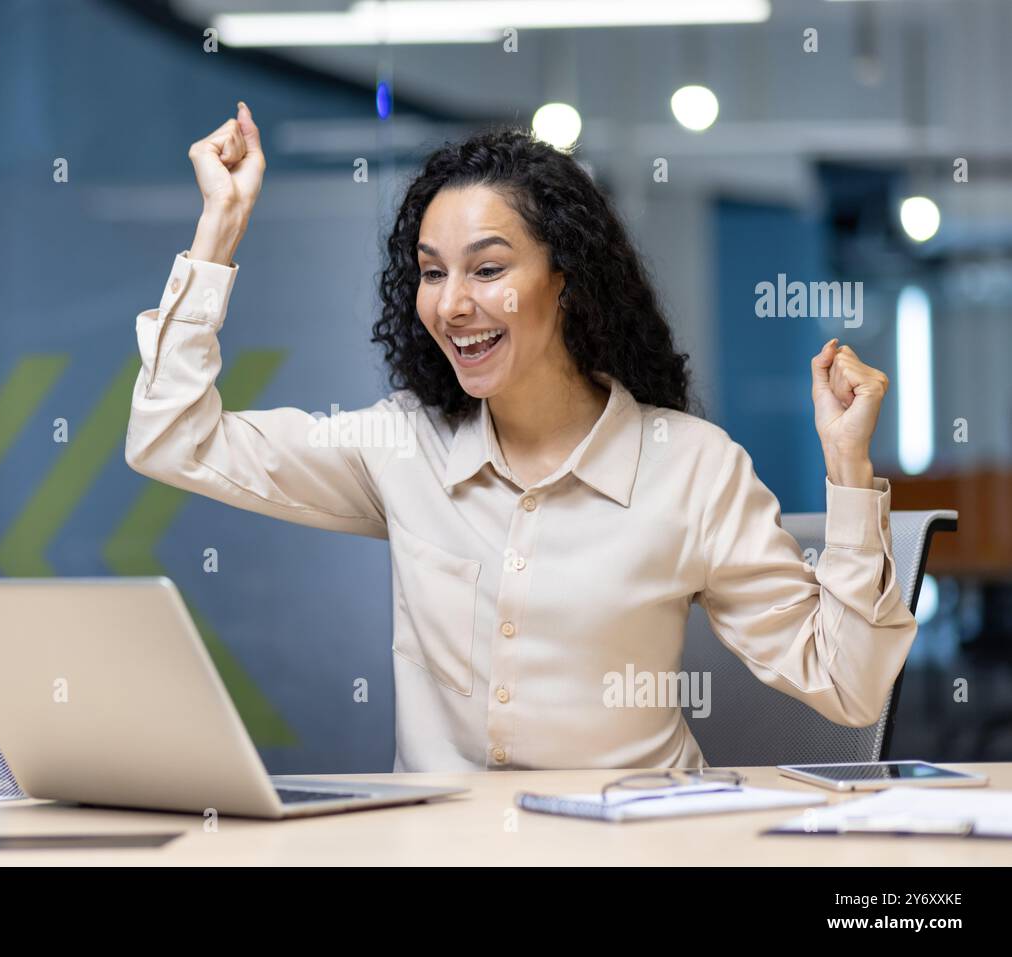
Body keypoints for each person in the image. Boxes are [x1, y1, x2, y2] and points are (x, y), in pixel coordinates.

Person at [124, 102, 915, 773]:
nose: (452, 305)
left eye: (488, 269)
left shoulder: (693, 468)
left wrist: (848, 469)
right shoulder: (404, 446)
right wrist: (219, 227)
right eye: (433, 272)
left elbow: (849, 685)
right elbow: (171, 437)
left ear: (565, 278)